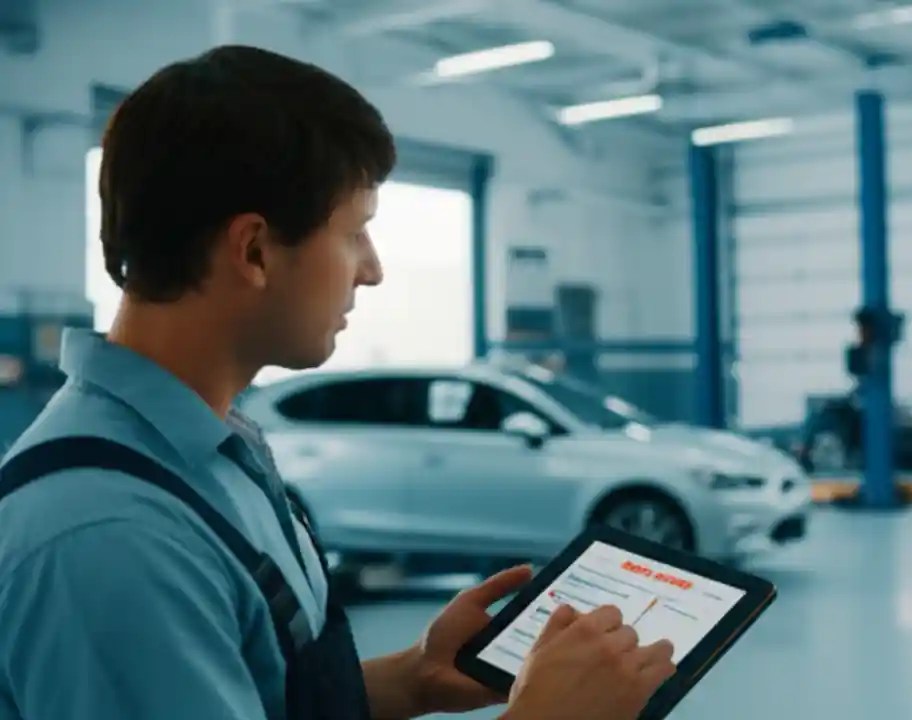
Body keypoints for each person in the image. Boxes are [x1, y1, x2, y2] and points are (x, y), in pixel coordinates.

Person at [0, 46, 674, 720]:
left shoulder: (208, 451)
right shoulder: (110, 537)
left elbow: (259, 691)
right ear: (255, 251)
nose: (372, 270)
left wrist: (409, 680)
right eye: (356, 233)